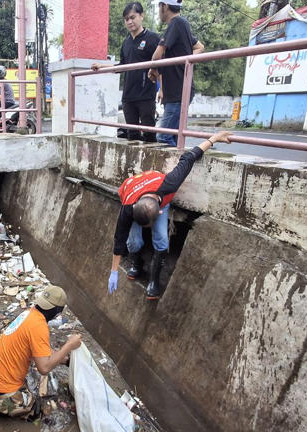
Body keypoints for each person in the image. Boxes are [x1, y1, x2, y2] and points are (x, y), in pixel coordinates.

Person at [107, 130, 232, 299]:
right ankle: (136, 263)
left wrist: (214, 138)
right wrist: (113, 272)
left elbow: (189, 157)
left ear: (159, 213)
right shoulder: (128, 207)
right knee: (133, 242)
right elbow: (119, 239)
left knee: (161, 239)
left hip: (158, 196)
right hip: (135, 194)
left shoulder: (170, 183)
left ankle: (154, 280)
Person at [0, 285, 82, 417]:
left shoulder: (30, 314)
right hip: (1, 390)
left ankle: (1, 400)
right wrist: (68, 346)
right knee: (40, 411)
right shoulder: (39, 326)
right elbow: (44, 368)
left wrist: (66, 360)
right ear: (58, 311)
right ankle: (2, 405)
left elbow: (41, 350)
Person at [92, 2, 160, 142]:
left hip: (146, 95)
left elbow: (162, 65)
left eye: (132, 17)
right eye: (126, 19)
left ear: (142, 16)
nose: (129, 21)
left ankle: (151, 164)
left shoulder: (152, 39)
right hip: (128, 96)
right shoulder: (126, 43)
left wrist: (163, 89)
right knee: (132, 135)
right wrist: (102, 66)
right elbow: (122, 66)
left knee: (149, 134)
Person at [147, 0, 205, 146]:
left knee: (164, 137)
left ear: (164, 6)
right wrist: (184, 58)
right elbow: (199, 47)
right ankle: (179, 165)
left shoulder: (176, 23)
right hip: (175, 90)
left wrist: (153, 68)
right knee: (174, 136)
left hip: (178, 91)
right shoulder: (182, 24)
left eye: (159, 6)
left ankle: (180, 165)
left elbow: (156, 55)